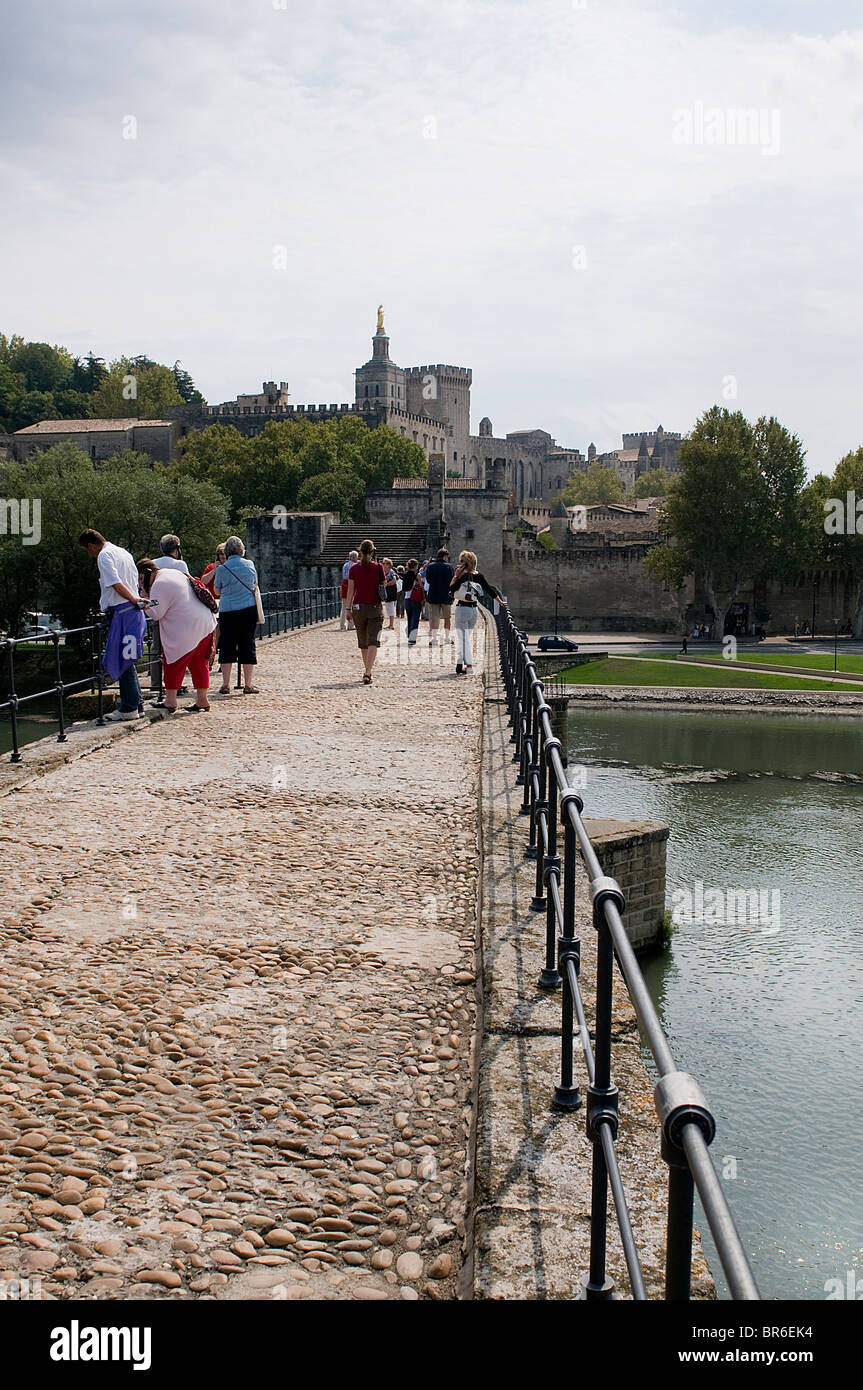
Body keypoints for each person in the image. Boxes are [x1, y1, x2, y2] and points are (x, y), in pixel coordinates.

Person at [78, 528, 148, 721]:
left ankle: (128, 708)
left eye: (87, 550)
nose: (90, 554)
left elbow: (116, 583)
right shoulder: (123, 552)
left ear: (92, 545)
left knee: (121, 659)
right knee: (127, 657)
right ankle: (137, 704)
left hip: (123, 612)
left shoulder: (104, 556)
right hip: (132, 613)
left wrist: (133, 599)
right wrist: (136, 600)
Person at [137, 560, 216, 712]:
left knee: (173, 662)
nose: (140, 583)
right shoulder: (174, 574)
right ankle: (202, 699)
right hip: (205, 623)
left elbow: (156, 614)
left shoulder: (160, 583)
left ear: (147, 573)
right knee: (200, 663)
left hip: (186, 629)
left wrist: (144, 597)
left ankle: (171, 700)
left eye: (141, 579)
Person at [213, 536, 260, 694]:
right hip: (248, 609)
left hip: (227, 610)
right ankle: (248, 684)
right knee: (247, 644)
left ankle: (226, 684)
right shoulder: (250, 565)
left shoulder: (222, 569)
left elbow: (217, 591)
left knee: (227, 645)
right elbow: (254, 584)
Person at [448, 550, 506, 674]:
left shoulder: (462, 576)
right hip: (474, 611)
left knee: (463, 639)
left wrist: (456, 576)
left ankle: (468, 666)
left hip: (462, 609)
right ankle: (459, 664)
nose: (460, 563)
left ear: (466, 563)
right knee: (465, 638)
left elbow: (451, 589)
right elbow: (489, 589)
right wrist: (499, 601)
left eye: (462, 561)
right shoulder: (479, 576)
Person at [345, 539, 385, 683]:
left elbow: (350, 591)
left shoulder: (353, 569)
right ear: (373, 551)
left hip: (358, 608)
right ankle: (368, 671)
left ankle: (367, 670)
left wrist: (348, 609)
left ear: (360, 552)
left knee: (363, 642)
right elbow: (383, 585)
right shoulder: (378, 567)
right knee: (373, 641)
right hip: (375, 607)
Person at [425, 547, 455, 647]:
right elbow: (452, 582)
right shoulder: (449, 567)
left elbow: (428, 580)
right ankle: (447, 638)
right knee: (447, 618)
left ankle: (434, 639)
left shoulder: (430, 566)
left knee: (435, 617)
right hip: (446, 595)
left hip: (433, 594)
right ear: (445, 556)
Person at [403, 558, 424, 645]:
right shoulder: (417, 575)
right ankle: (412, 638)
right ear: (415, 566)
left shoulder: (405, 574)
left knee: (410, 617)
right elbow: (421, 586)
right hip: (415, 598)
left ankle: (409, 634)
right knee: (415, 618)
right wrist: (423, 598)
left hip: (407, 598)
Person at [340, 550, 359, 630]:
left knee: (344, 606)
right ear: (354, 557)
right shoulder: (355, 565)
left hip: (344, 585)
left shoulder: (345, 565)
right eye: (357, 557)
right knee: (352, 606)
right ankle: (351, 625)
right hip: (352, 586)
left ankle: (342, 625)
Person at [381, 557, 399, 630]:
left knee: (390, 608)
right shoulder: (384, 572)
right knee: (387, 608)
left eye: (384, 563)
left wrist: (386, 584)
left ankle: (391, 625)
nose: (383, 564)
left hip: (390, 592)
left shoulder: (391, 572)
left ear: (388, 565)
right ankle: (389, 624)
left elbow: (394, 581)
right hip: (386, 592)